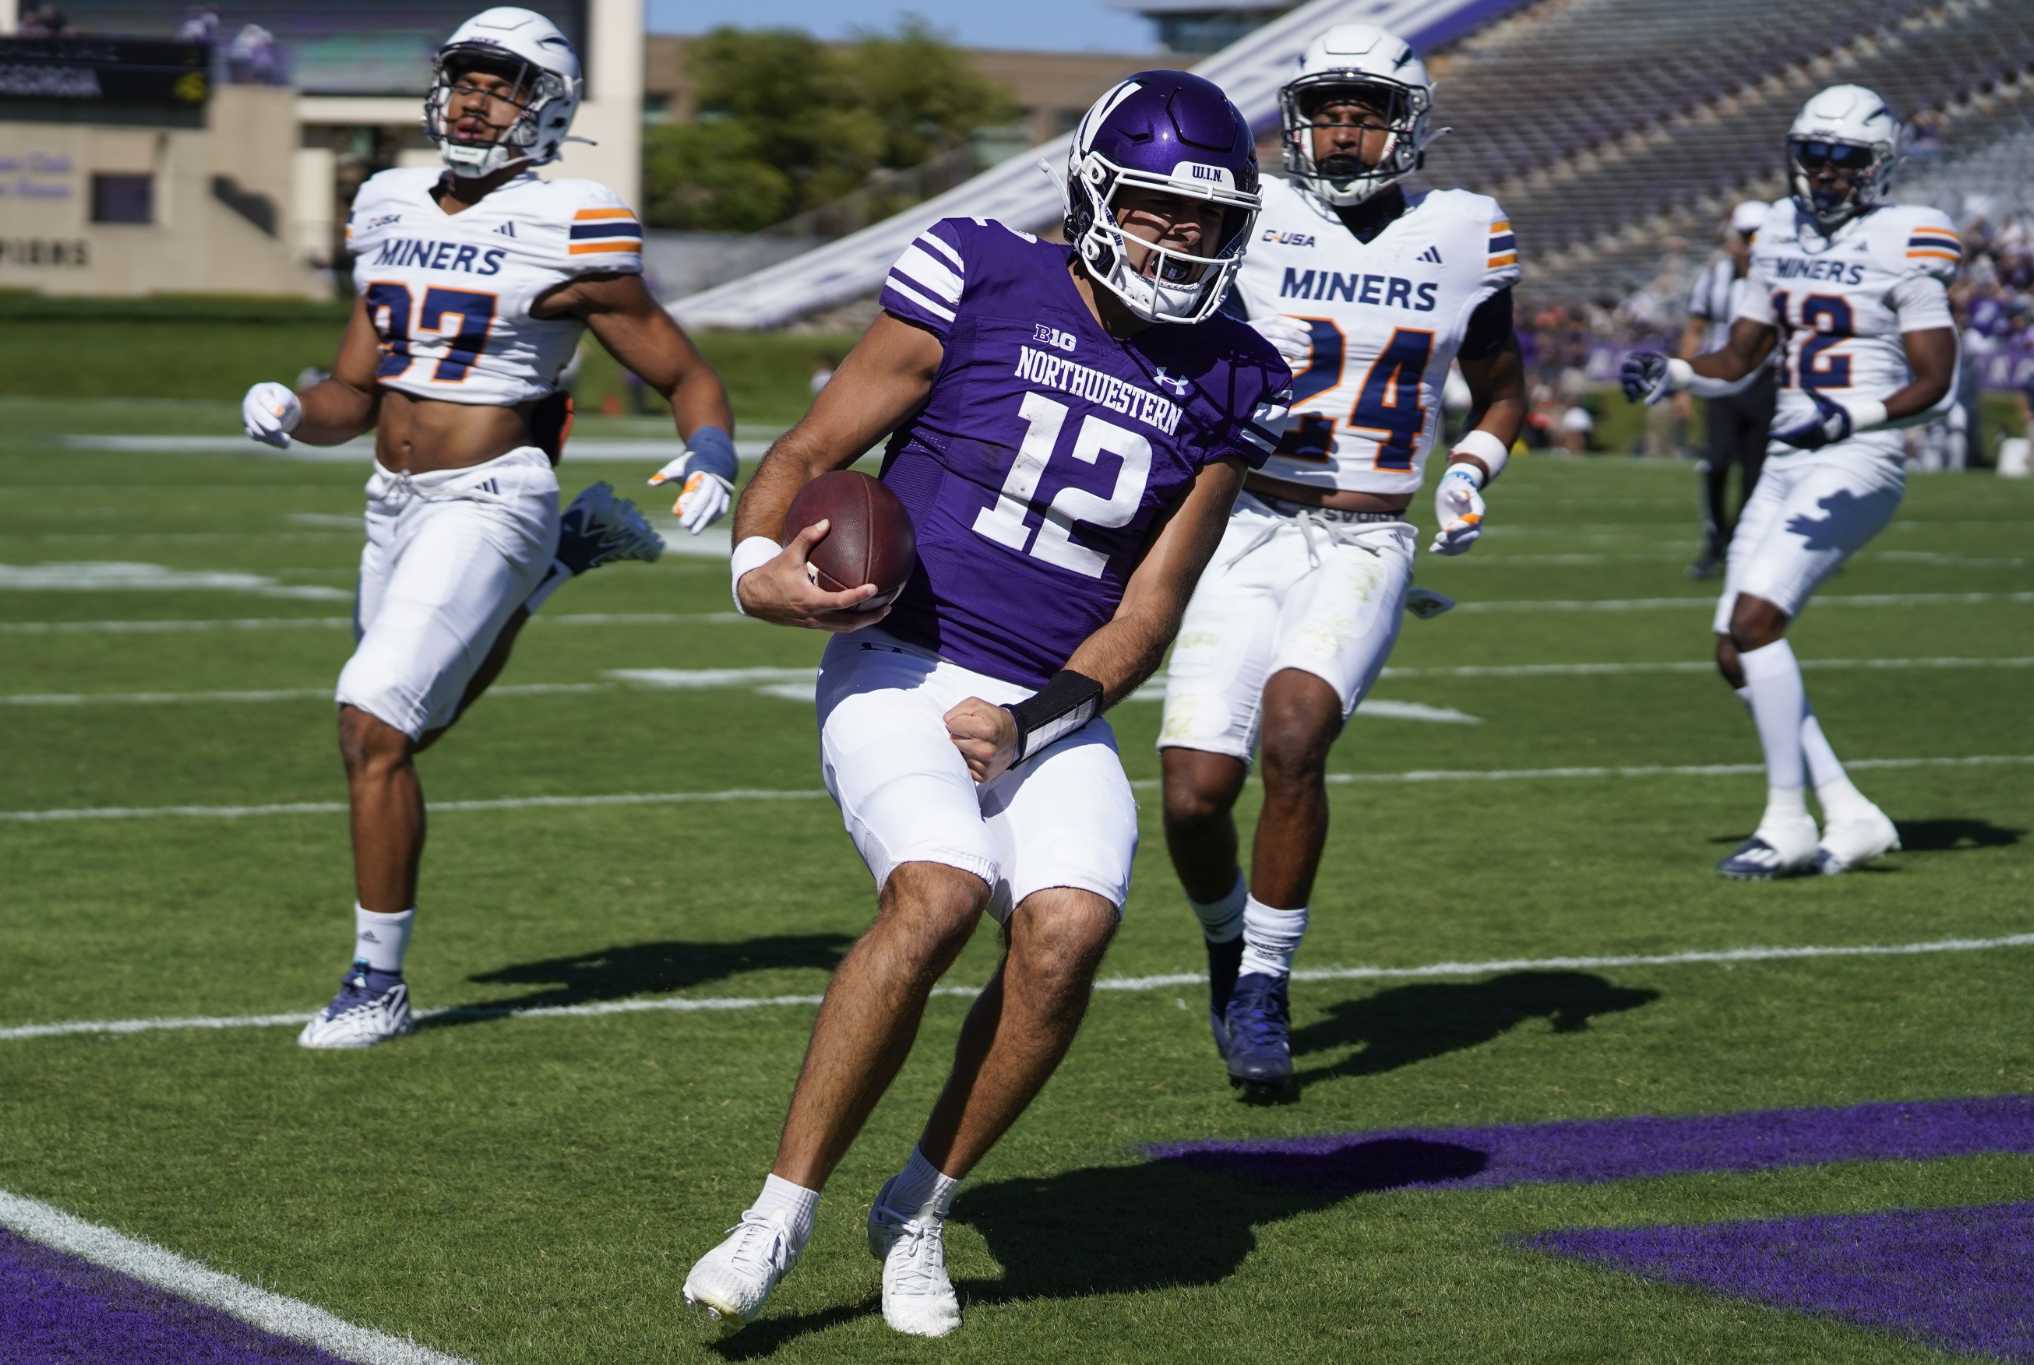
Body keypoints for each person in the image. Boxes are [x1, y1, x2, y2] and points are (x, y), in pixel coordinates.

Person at [679, 70, 1291, 1337]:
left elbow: (1148, 609)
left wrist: (1037, 719)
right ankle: (776, 1212)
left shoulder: (1234, 374)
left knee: (1066, 934)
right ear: (1092, 191)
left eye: (1203, 219)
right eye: (1155, 209)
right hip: (902, 660)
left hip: (1047, 701)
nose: (1177, 238)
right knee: (941, 892)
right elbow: (804, 457)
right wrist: (757, 575)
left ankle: (915, 1209)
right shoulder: (978, 272)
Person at [239, 7, 736, 1046]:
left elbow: (681, 367)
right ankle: (560, 567)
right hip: (391, 499)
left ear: (544, 108)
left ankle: (375, 983)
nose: (474, 97)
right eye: (465, 77)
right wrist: (293, 412)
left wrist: (711, 449)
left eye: (501, 83)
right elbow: (354, 391)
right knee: (400, 730)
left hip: (492, 492)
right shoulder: (381, 202)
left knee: (372, 719)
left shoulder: (572, 216)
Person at [1154, 24, 1527, 1095]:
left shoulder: (1463, 233)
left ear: (1405, 128)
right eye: (1326, 111)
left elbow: (1501, 388)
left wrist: (1469, 468)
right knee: (1190, 796)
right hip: (1242, 525)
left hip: (1364, 534)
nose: (1342, 131)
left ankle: (1265, 984)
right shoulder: (1251, 215)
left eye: (1364, 114)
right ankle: (1228, 944)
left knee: (1293, 736)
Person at [1621, 84, 1959, 878]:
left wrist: (1850, 418)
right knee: (1735, 650)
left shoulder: (1907, 238)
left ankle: (1785, 821)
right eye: (1815, 155)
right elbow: (1737, 360)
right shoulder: (1775, 228)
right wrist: (1672, 370)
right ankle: (1848, 809)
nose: (1827, 172)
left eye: (1846, 158)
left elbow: (1934, 382)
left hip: (1858, 456)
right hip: (1785, 451)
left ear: (1878, 166)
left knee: (1757, 619)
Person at [1678, 199, 1777, 578]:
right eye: (1746, 236)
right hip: (1722, 378)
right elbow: (1695, 330)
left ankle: (1742, 545)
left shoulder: (1780, 278)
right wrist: (1685, 384)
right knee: (1716, 462)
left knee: (1755, 472)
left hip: (1768, 380)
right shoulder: (1715, 277)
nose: (1751, 245)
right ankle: (1716, 539)